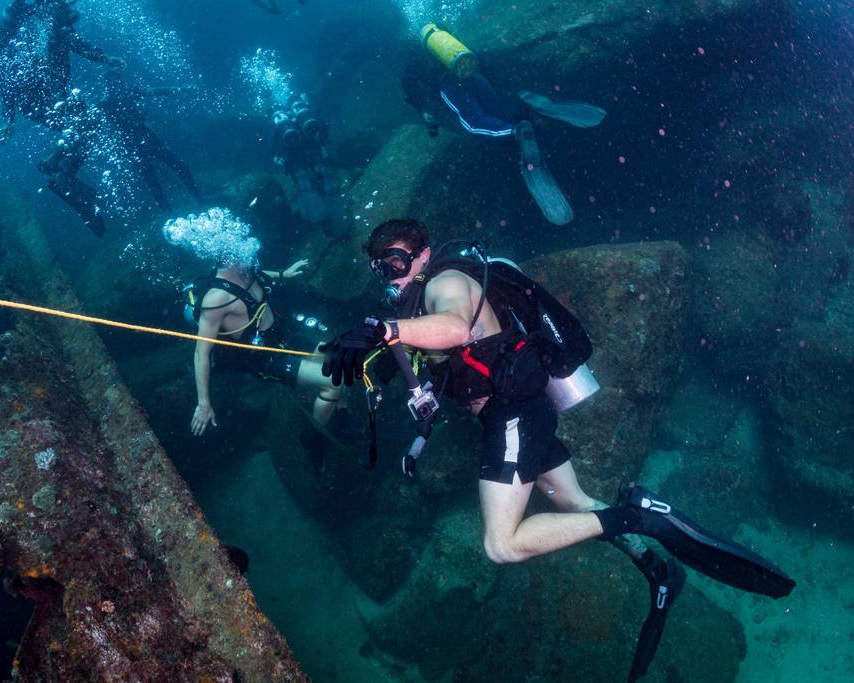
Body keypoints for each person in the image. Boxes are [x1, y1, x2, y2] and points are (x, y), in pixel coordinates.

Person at [319, 219, 795, 678]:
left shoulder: (445, 281)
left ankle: (639, 516)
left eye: (397, 261)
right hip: (520, 415)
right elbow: (432, 373)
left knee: (501, 545)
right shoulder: (415, 310)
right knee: (576, 504)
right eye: (381, 268)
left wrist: (386, 330)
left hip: (514, 416)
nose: (391, 275)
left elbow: (456, 329)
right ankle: (653, 564)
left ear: (421, 254)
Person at [402, 25, 606, 225]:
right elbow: (474, 53)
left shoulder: (414, 54)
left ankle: (516, 133)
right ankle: (532, 107)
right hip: (471, 71)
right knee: (500, 110)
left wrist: (423, 110)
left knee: (474, 123)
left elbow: (410, 82)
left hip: (447, 83)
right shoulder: (444, 33)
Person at [190, 257, 341, 437]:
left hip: (282, 335)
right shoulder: (216, 299)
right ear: (229, 261)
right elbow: (201, 354)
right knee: (333, 382)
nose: (252, 257)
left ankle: (341, 416)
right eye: (244, 254)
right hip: (264, 357)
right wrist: (203, 403)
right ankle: (314, 437)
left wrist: (283, 274)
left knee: (338, 357)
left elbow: (262, 275)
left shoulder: (247, 272)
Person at [0, 0, 123, 139]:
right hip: (34, 99)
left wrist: (106, 58)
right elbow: (11, 83)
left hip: (55, 91)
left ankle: (60, 156)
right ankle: (57, 157)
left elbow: (78, 45)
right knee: (83, 127)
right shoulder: (26, 42)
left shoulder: (58, 29)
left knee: (88, 126)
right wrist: (8, 120)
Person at [97, 67, 202, 211]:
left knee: (178, 166)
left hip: (146, 136)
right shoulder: (104, 104)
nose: (118, 86)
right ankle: (169, 211)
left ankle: (199, 198)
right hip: (131, 144)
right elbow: (93, 121)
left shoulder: (130, 92)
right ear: (107, 86)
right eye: (114, 84)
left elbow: (157, 91)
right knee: (151, 180)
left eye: (119, 82)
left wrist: (181, 89)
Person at [271, 93, 333, 224]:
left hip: (293, 152)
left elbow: (274, 140)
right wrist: (323, 143)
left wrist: (276, 155)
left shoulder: (280, 122)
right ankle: (328, 201)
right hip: (310, 145)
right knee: (321, 172)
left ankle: (318, 214)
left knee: (303, 181)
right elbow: (322, 123)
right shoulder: (302, 114)